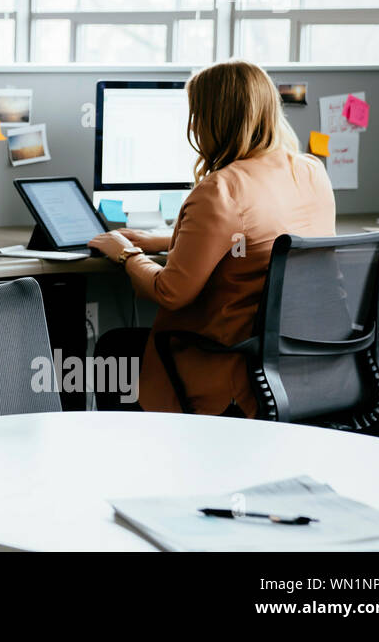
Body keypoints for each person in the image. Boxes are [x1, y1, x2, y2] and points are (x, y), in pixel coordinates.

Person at [88, 60, 335, 417]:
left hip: (229, 368)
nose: (191, 124)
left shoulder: (221, 189)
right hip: (297, 364)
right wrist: (161, 241)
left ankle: (141, 457)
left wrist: (125, 253)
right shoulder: (311, 170)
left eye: (196, 113)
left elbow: (170, 292)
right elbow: (255, 240)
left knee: (115, 347)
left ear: (212, 120)